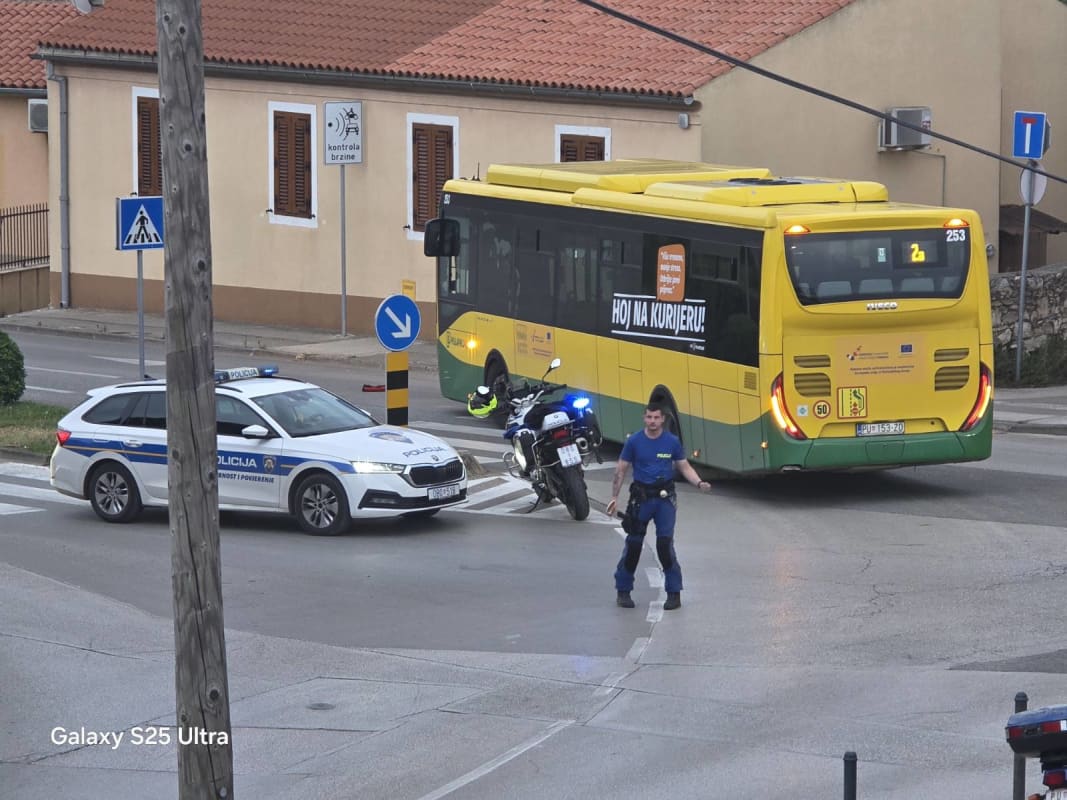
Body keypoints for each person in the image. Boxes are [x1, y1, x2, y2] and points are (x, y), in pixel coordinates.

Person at [606, 402, 711, 610]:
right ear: (644, 418)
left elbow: (684, 466)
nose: (652, 422)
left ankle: (674, 593)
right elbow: (620, 470)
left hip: (665, 501)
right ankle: (623, 590)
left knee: (664, 546)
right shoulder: (634, 441)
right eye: (649, 417)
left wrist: (699, 482)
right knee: (634, 544)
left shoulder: (671, 442)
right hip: (641, 499)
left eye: (656, 418)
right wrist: (614, 497)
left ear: (662, 419)